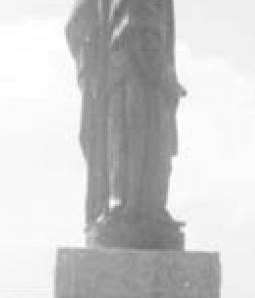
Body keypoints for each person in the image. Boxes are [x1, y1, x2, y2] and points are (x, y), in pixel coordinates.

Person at [66, 0, 185, 248]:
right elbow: (134, 23)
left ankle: (143, 208)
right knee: (131, 141)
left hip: (138, 68)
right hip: (132, 68)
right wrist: (161, 71)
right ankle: (128, 208)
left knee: (147, 143)